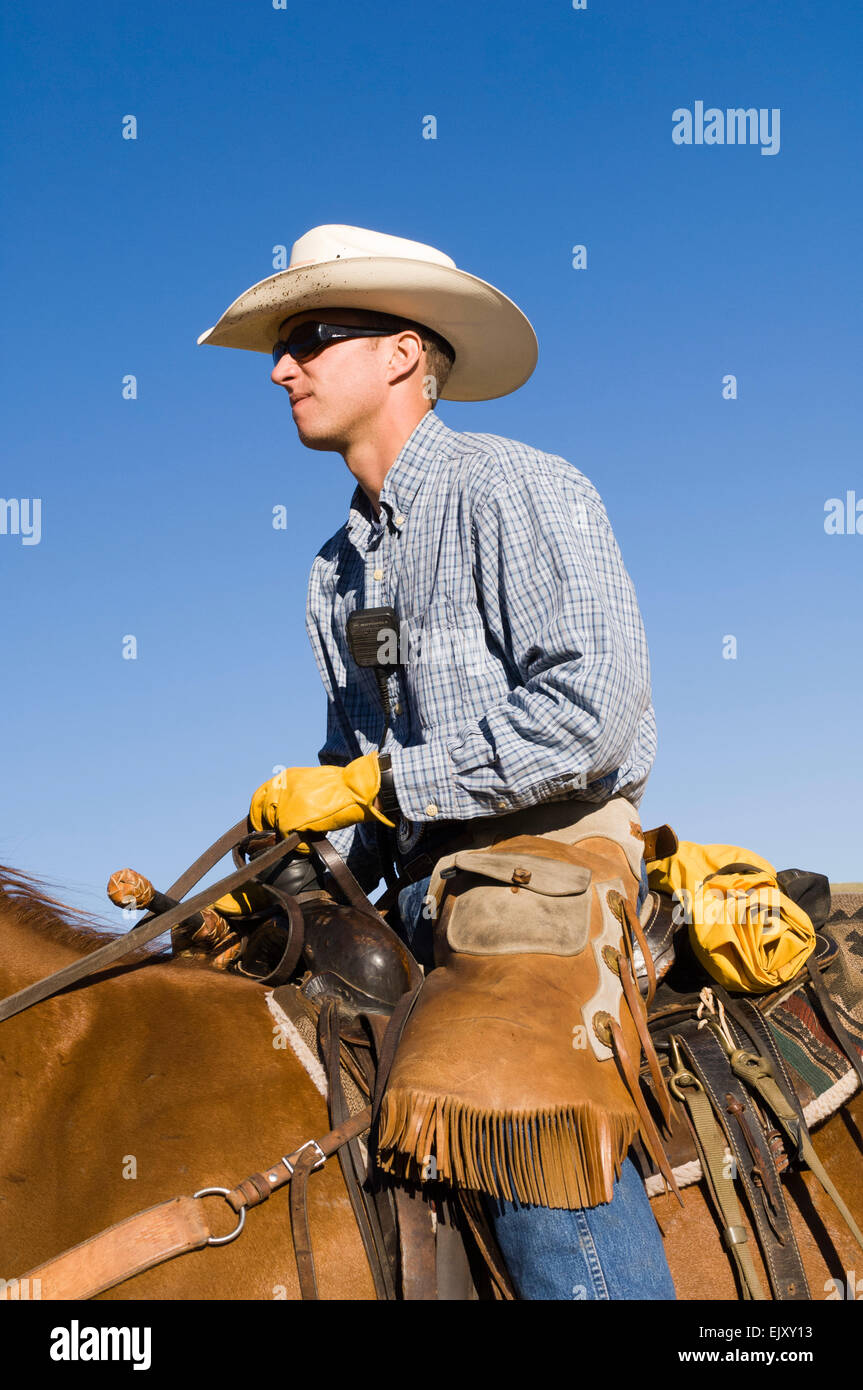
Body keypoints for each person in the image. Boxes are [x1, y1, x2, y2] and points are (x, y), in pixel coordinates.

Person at [199, 224, 676, 1300]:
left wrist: (379, 782)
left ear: (405, 353)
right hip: (410, 894)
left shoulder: (520, 488)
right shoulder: (330, 575)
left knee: (518, 1126)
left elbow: (590, 713)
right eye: (283, 347)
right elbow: (357, 783)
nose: (282, 368)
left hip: (542, 872)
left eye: (311, 338)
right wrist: (295, 864)